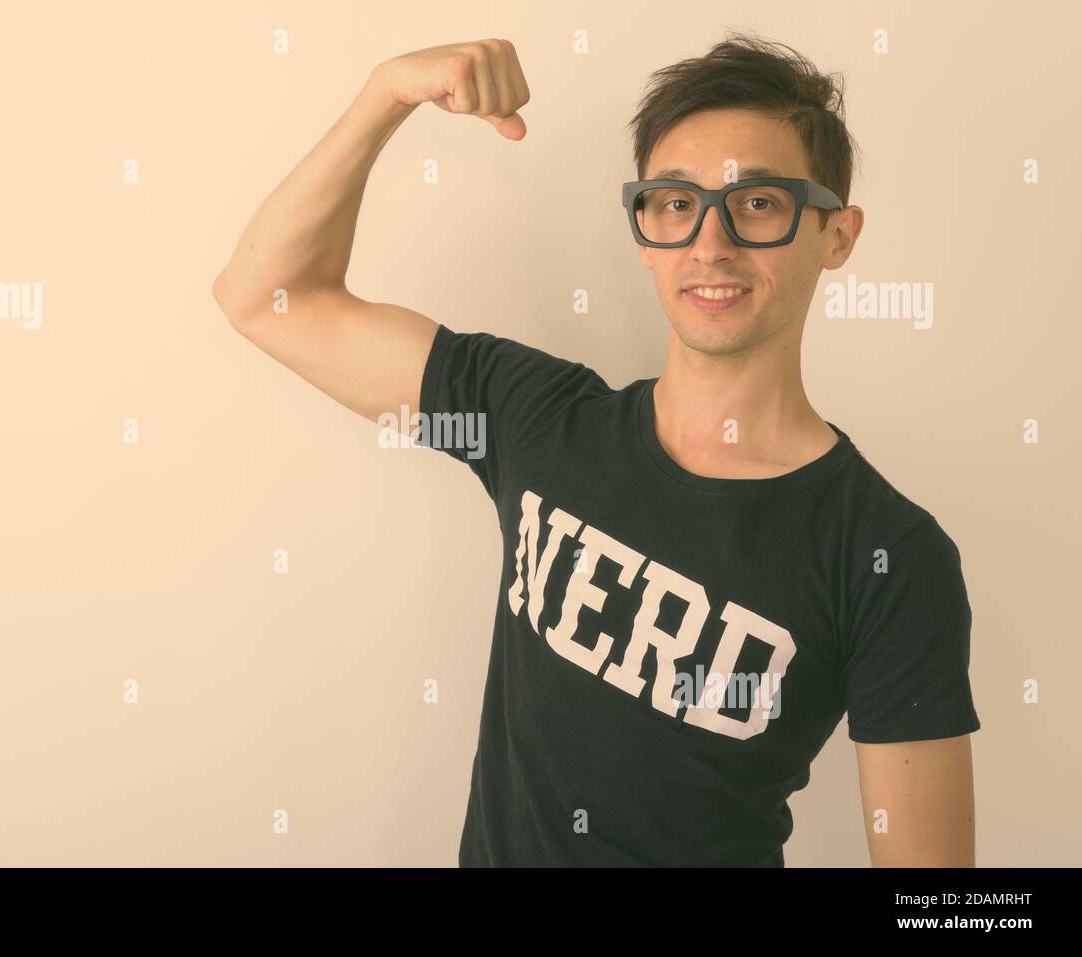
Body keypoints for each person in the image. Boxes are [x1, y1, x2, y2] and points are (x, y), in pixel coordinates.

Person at [212, 32, 980, 867]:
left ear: (836, 234)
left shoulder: (889, 556)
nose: (710, 243)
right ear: (644, 229)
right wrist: (385, 95)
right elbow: (265, 298)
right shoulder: (534, 417)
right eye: (675, 203)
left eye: (758, 202)